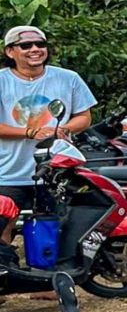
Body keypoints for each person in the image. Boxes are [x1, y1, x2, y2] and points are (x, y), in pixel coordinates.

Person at [0, 25, 96, 210]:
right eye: (26, 45)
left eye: (40, 44)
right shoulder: (2, 80)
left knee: (54, 229)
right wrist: (30, 132)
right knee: (4, 227)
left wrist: (62, 130)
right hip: (8, 173)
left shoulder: (69, 78)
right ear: (10, 52)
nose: (35, 49)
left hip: (57, 172)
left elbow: (84, 117)